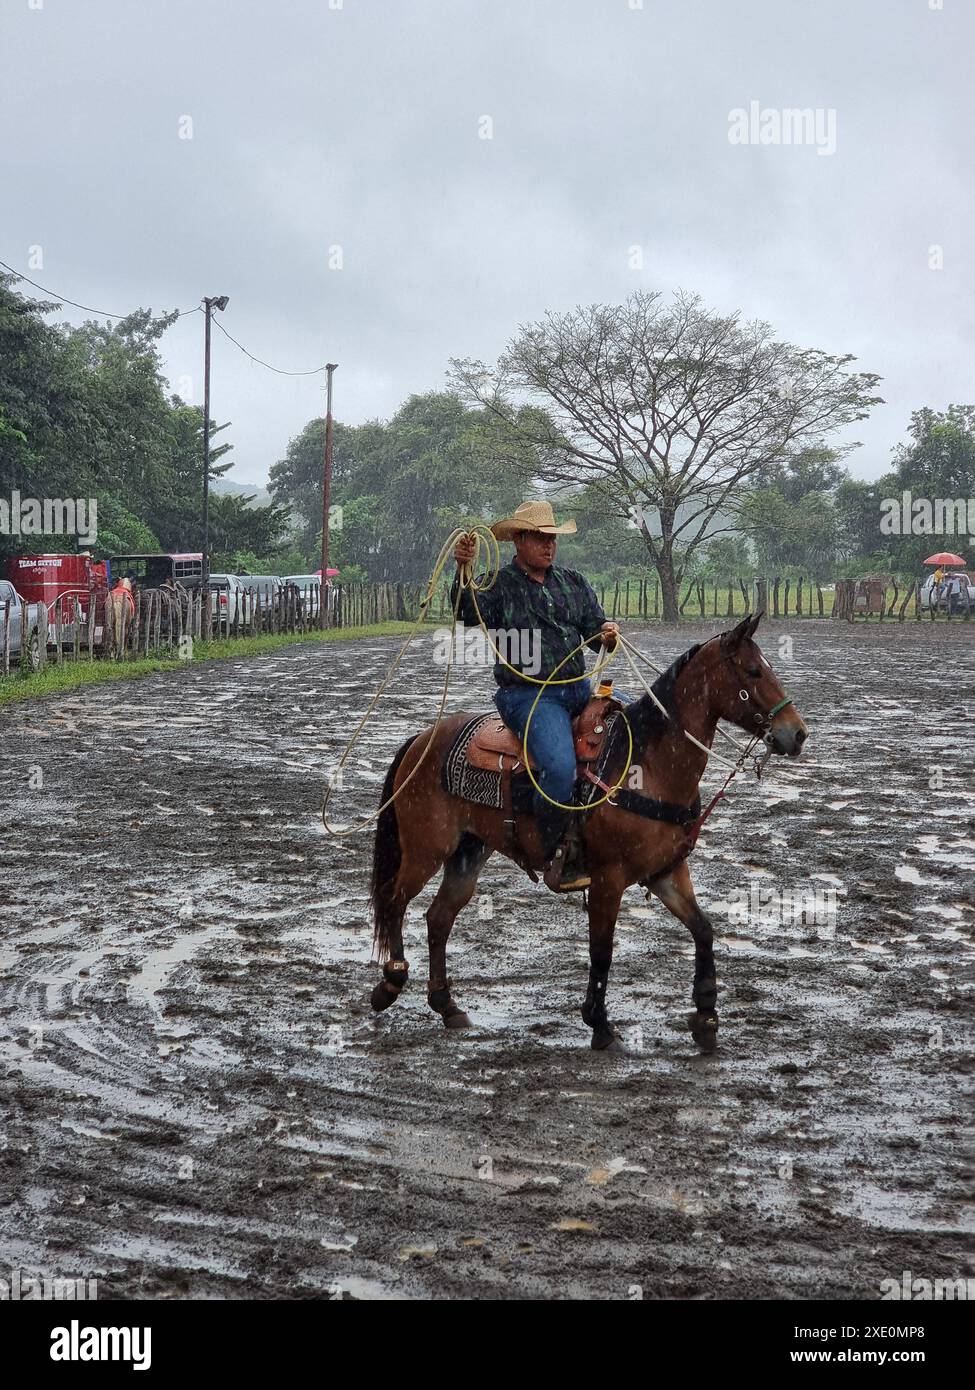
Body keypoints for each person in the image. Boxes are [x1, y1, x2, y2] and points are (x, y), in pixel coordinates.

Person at [450, 500, 620, 892]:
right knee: (559, 768)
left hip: (578, 689)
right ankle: (553, 851)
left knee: (634, 725)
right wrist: (463, 570)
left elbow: (598, 634)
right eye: (540, 539)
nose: (549, 546)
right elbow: (466, 611)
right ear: (520, 541)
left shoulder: (572, 582)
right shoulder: (497, 585)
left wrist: (608, 632)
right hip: (528, 696)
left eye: (552, 539)